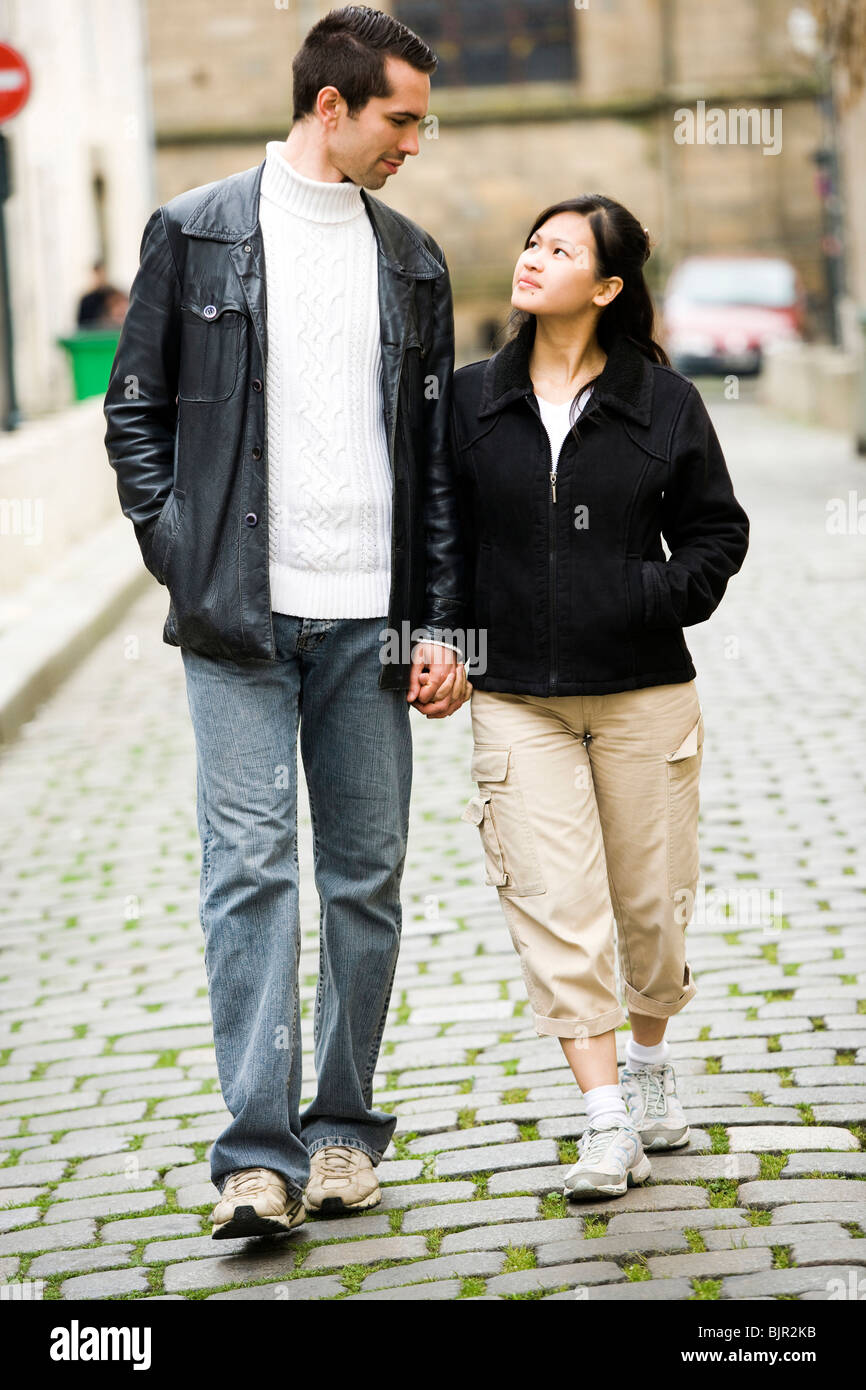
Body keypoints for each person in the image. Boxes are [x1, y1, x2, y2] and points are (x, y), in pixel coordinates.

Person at [104, 5, 470, 1241]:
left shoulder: (413, 260)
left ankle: (344, 1134)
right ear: (331, 106)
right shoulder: (195, 232)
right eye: (399, 118)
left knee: (364, 879)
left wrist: (444, 631)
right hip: (238, 627)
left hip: (371, 624)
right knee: (249, 874)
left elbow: (433, 467)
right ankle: (254, 1160)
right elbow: (135, 415)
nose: (414, 141)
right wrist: (185, 558)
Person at [452, 194, 749, 1201]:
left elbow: (716, 532)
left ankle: (652, 1063)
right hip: (514, 699)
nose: (531, 259)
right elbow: (434, 535)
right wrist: (437, 641)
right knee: (553, 905)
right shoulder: (466, 399)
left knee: (648, 913)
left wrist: (642, 594)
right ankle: (602, 1119)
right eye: (530, 242)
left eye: (559, 249)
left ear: (607, 285)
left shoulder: (661, 404)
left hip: (642, 694)